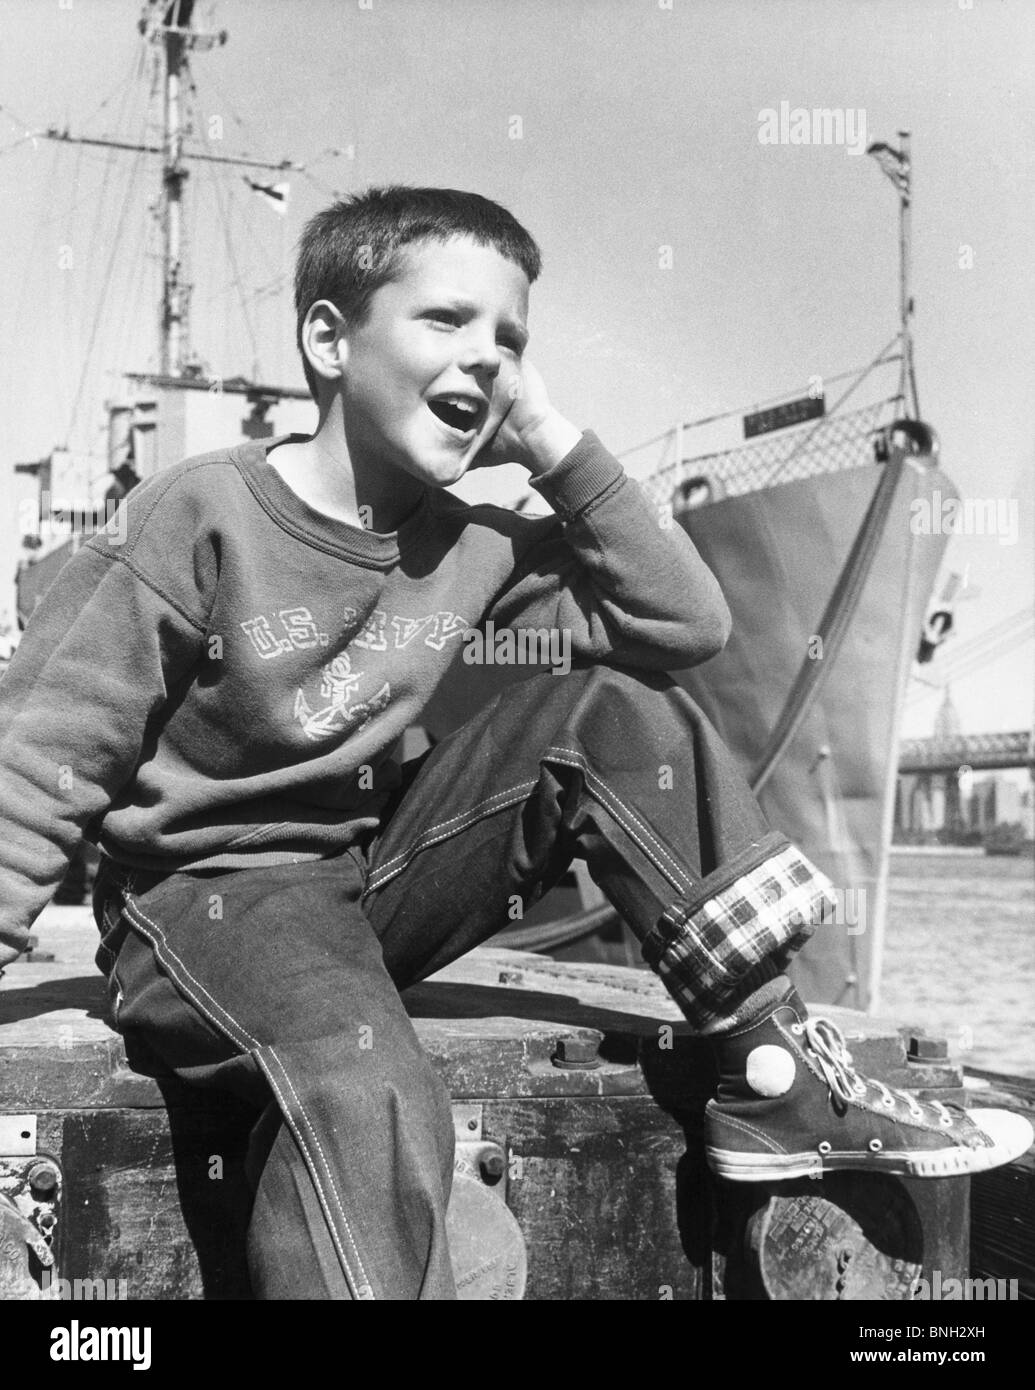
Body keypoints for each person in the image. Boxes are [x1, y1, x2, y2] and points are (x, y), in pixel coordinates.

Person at [0, 186, 1028, 1300]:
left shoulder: (475, 547)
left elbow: (687, 626)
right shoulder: (196, 512)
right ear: (329, 340)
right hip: (197, 903)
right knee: (365, 1081)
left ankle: (770, 1066)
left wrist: (546, 434)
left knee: (613, 714)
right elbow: (43, 755)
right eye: (447, 321)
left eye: (512, 339)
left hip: (357, 881)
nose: (488, 358)